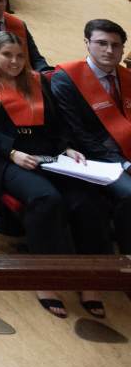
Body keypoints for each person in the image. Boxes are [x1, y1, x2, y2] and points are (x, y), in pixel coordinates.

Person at [0, 32, 107, 319]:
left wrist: (67, 148)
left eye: (19, 56)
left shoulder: (37, 81)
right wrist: (12, 153)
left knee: (89, 200)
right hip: (3, 158)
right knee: (46, 198)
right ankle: (44, 278)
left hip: (48, 155)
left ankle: (90, 279)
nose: (15, 61)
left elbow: (57, 123)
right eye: (7, 55)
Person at [49, 19, 131, 256]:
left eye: (116, 45)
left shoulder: (126, 78)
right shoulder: (67, 79)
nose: (109, 50)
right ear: (87, 43)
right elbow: (76, 132)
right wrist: (122, 163)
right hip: (93, 158)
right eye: (101, 43)